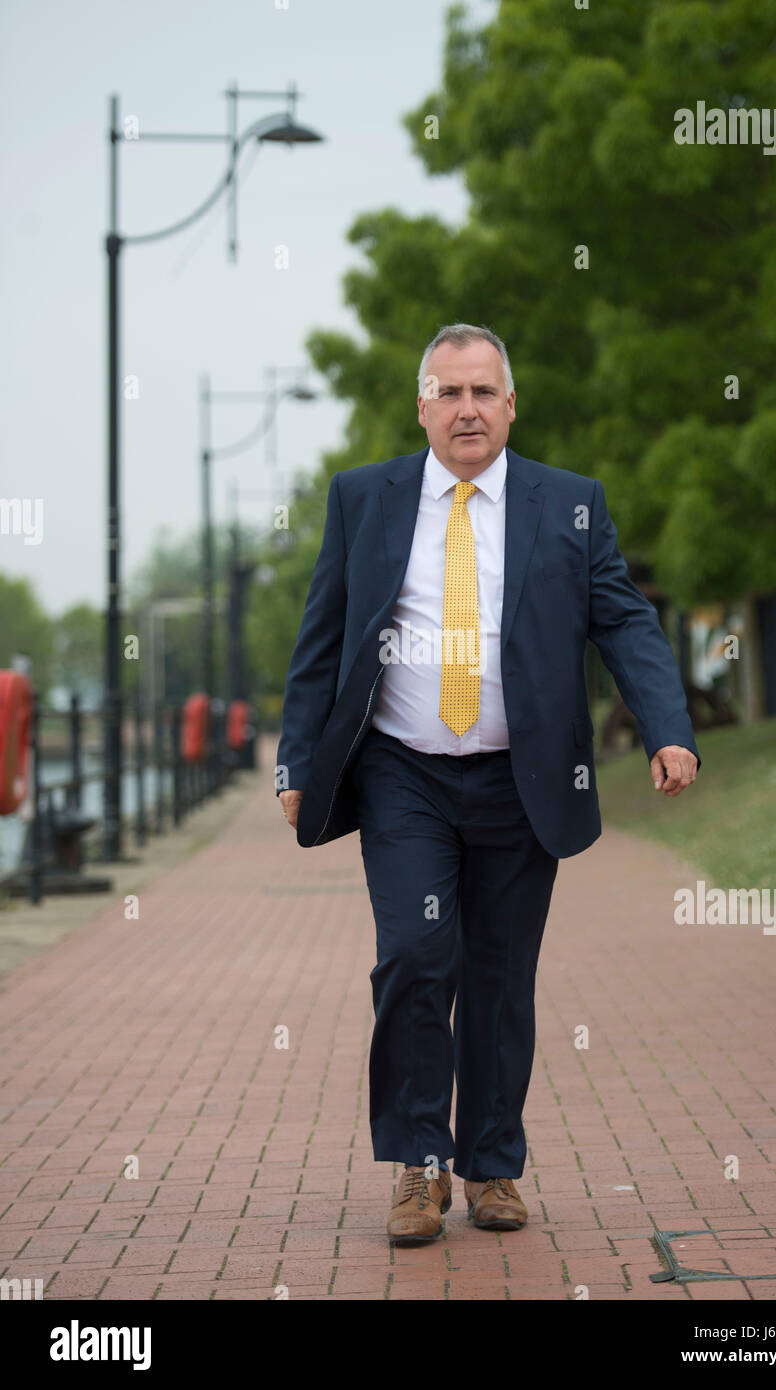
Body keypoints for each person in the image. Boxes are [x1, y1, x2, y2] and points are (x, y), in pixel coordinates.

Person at [276, 323, 699, 1244]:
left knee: (502, 980)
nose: (467, 409)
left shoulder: (570, 503)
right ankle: (417, 1167)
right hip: (402, 776)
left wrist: (667, 728)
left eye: (484, 392)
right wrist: (294, 761)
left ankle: (493, 1167)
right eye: (449, 392)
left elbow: (625, 622)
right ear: (422, 406)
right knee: (418, 961)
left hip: (522, 779)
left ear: (511, 405)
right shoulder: (365, 499)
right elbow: (322, 639)